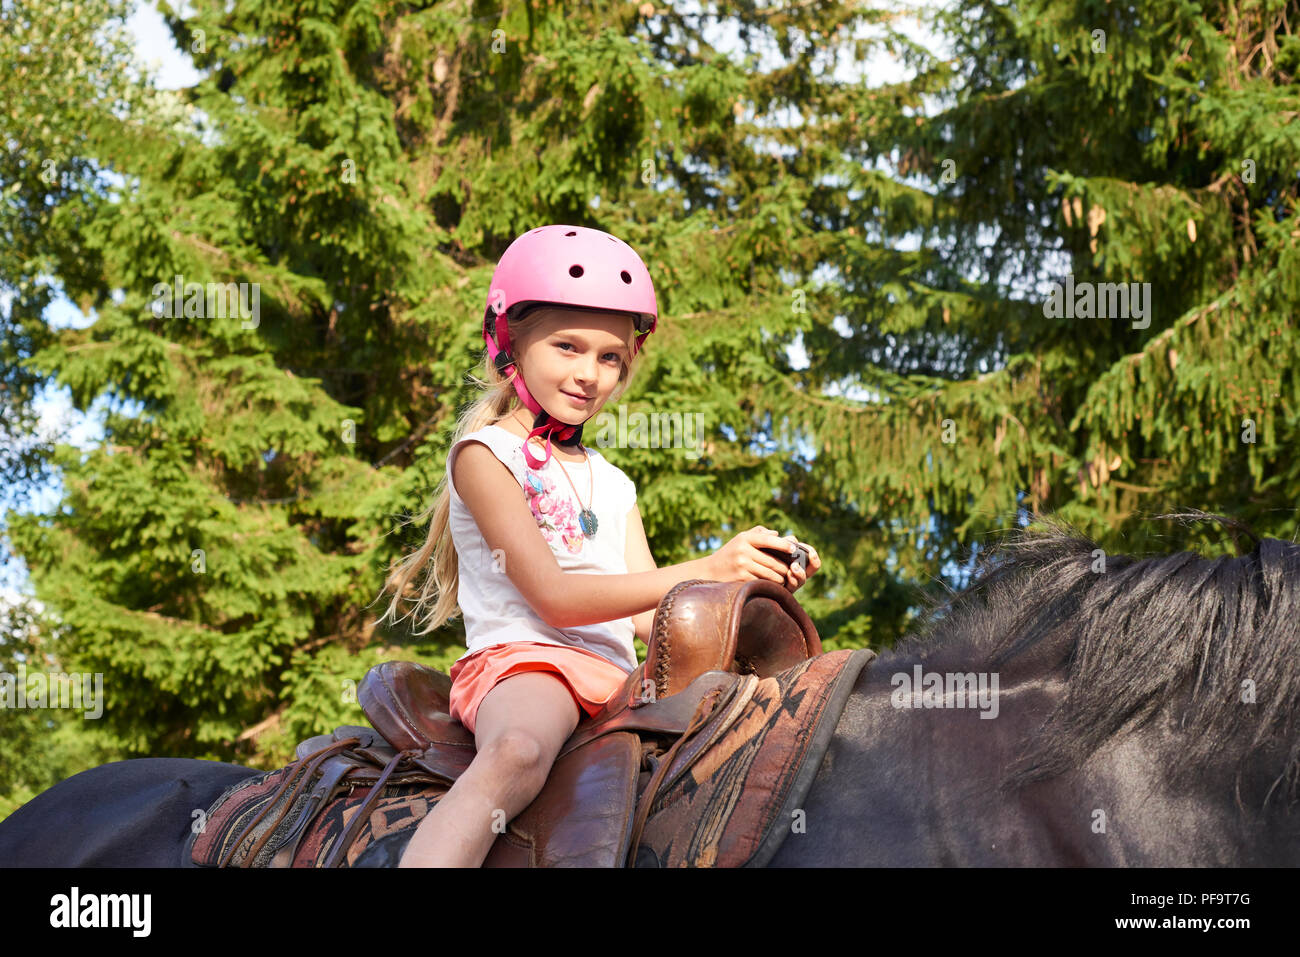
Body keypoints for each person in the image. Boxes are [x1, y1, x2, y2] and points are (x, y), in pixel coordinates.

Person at [371, 223, 821, 867]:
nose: (589, 374)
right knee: (518, 752)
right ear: (509, 343)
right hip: (527, 664)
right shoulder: (484, 456)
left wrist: (746, 581)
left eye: (610, 358)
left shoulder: (612, 482)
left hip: (620, 682)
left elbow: (647, 618)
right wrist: (708, 563)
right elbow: (554, 598)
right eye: (567, 347)